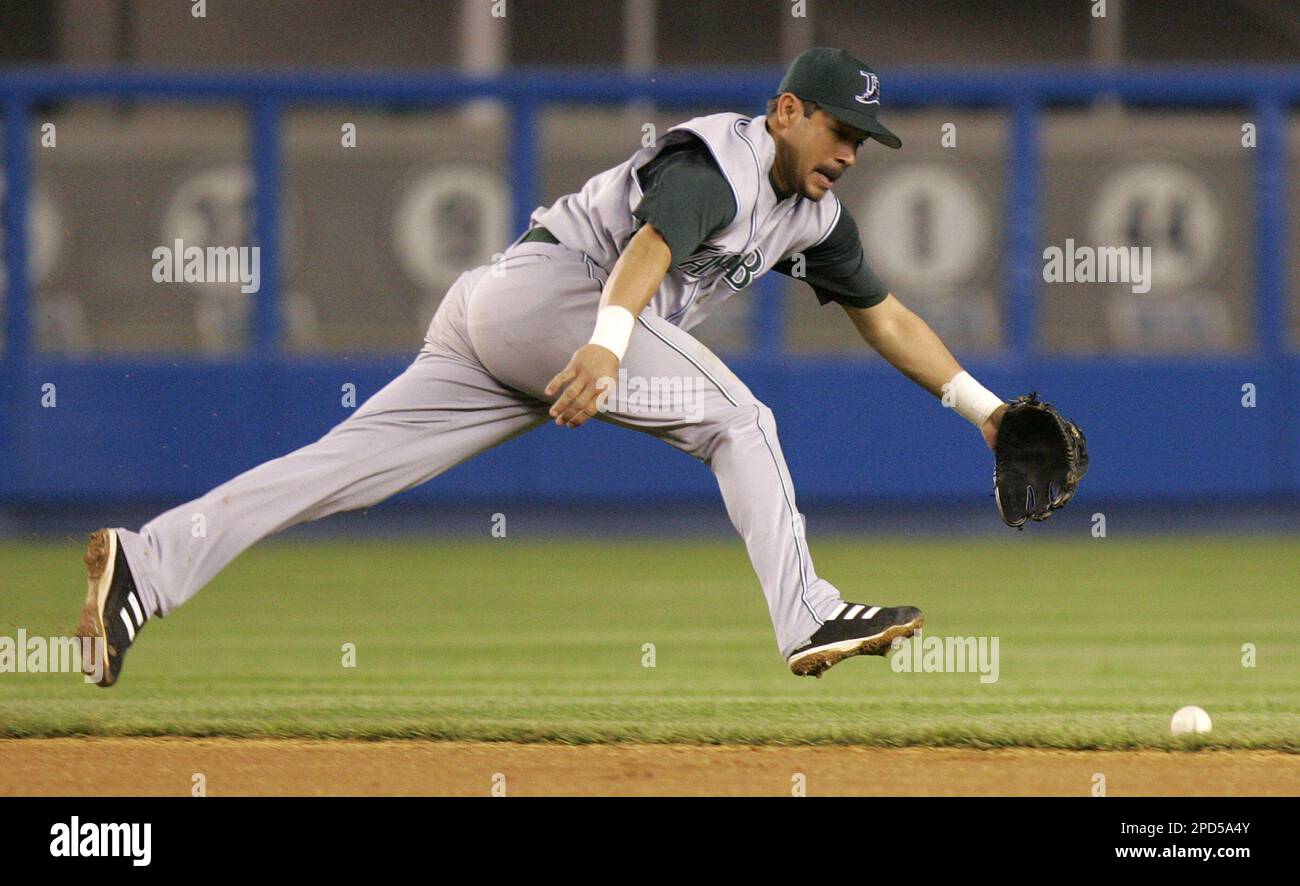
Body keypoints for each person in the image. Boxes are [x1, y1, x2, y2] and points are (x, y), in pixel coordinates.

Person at [77, 47, 1007, 687]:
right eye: (838, 127)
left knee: (342, 470)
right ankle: (808, 614)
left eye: (864, 138)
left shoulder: (811, 216)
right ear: (787, 110)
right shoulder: (723, 158)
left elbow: (887, 318)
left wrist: (988, 412)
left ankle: (147, 568)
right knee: (742, 420)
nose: (850, 150)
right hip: (558, 298)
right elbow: (647, 249)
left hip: (498, 313)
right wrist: (603, 346)